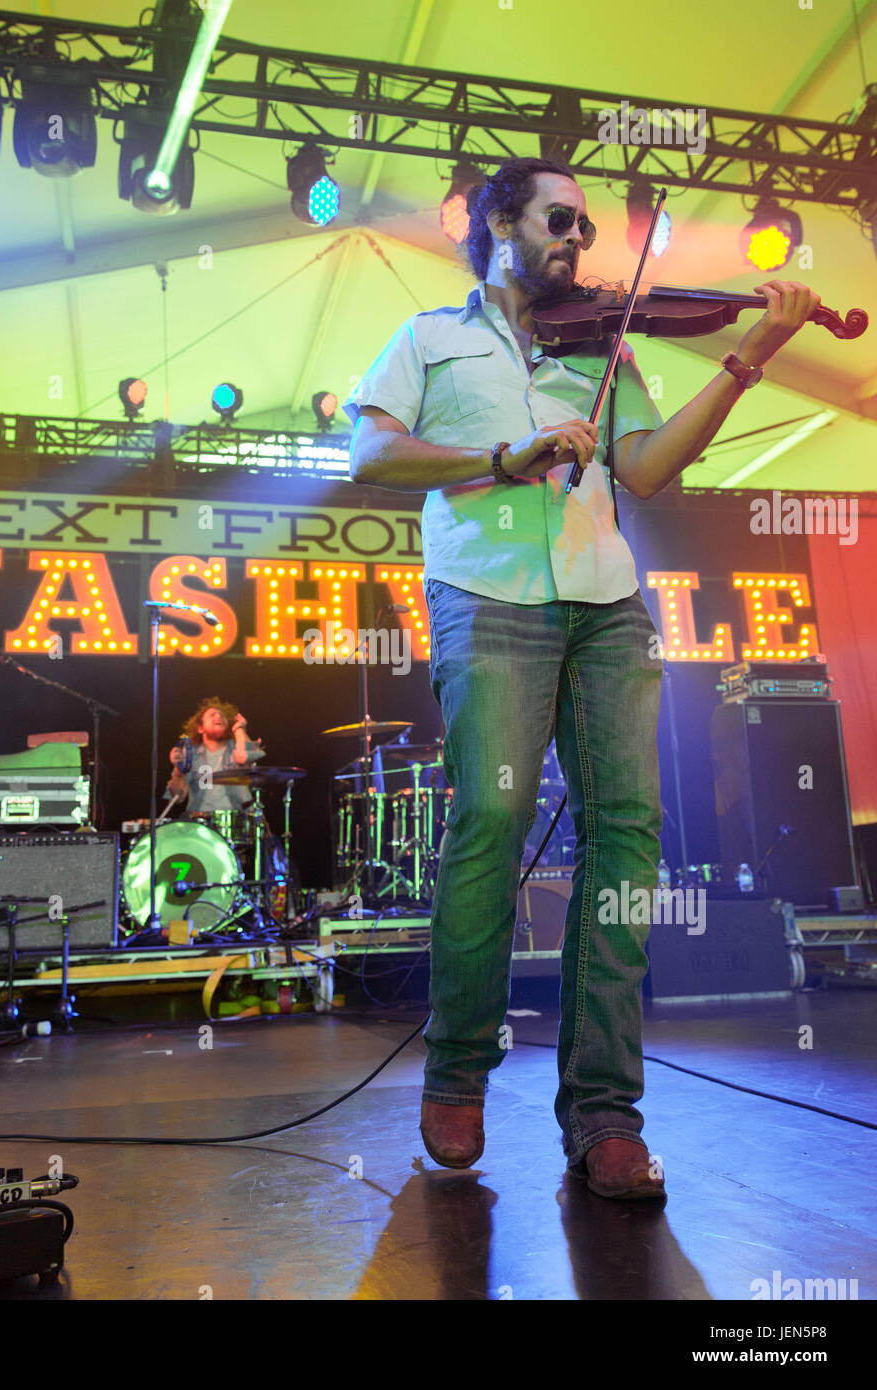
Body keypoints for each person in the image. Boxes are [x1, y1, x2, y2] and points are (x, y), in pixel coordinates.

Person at [343, 155, 819, 1197]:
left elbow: (646, 468)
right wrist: (505, 457)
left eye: (586, 226)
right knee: (488, 827)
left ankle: (603, 1113)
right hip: (488, 595)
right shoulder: (429, 338)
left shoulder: (599, 346)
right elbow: (367, 453)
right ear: (496, 221)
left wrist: (751, 352)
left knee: (628, 833)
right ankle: (458, 1068)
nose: (576, 238)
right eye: (558, 218)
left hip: (605, 602)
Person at [166, 696, 265, 818]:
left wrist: (239, 729)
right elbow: (177, 797)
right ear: (200, 728)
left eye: (222, 716)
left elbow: (244, 756)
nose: (218, 717)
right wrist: (177, 770)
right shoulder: (191, 754)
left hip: (236, 822)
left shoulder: (236, 745)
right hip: (200, 824)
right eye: (212, 715)